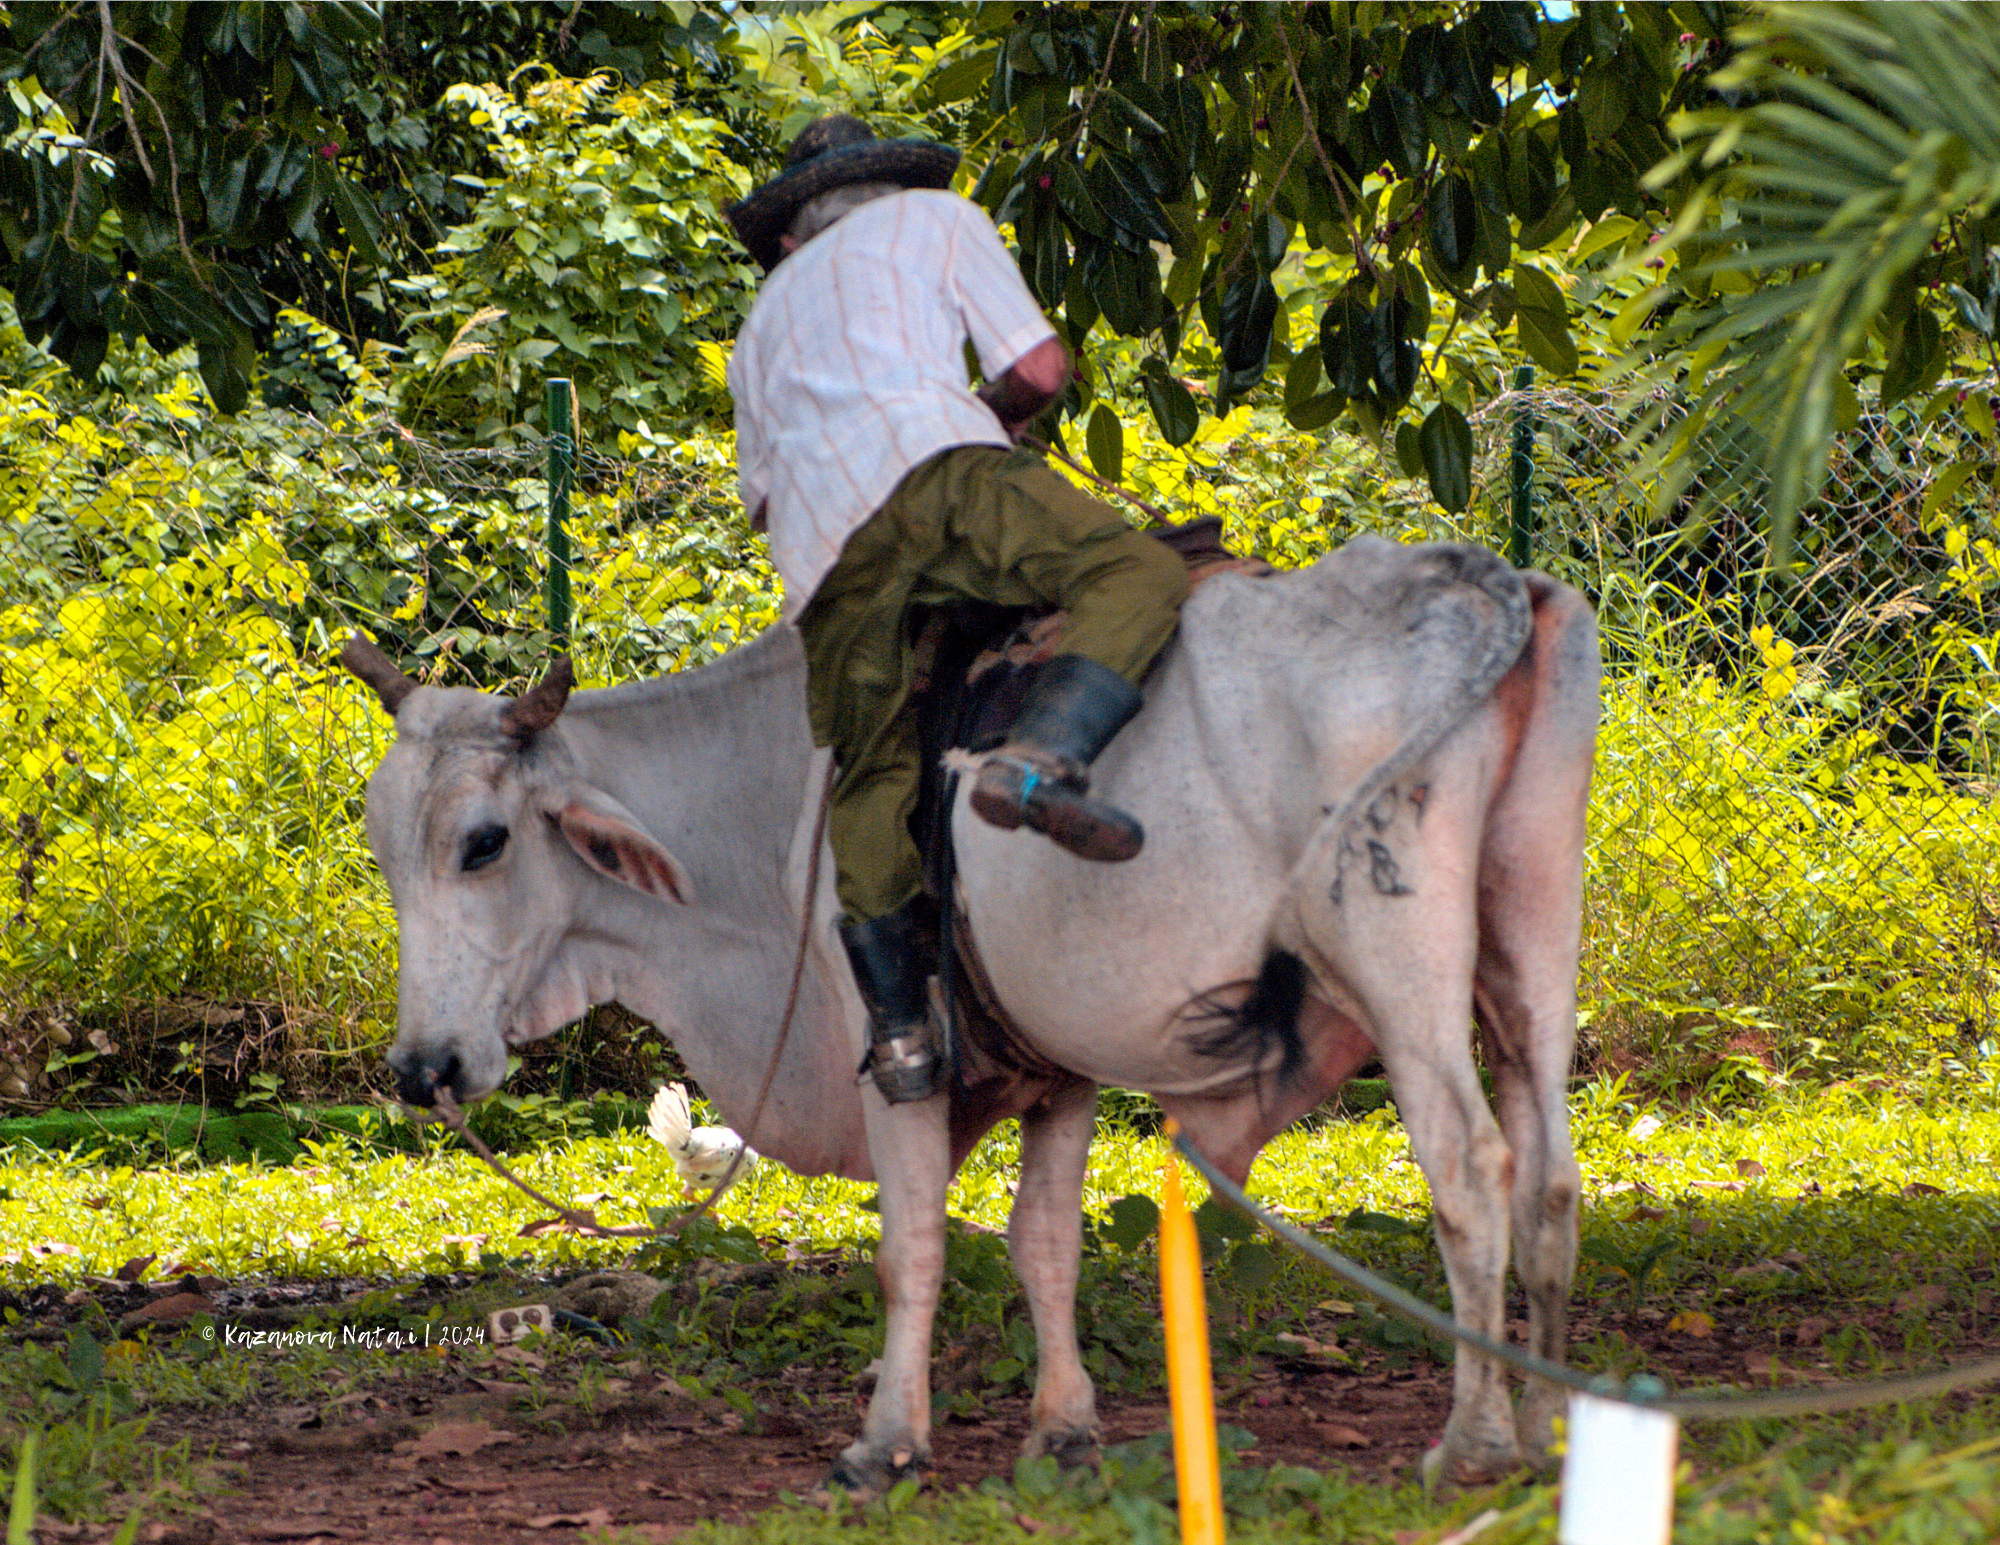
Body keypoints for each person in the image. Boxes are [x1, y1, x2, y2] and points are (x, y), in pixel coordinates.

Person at [725, 116, 1188, 1104]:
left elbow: (759, 494)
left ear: (793, 238)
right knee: (1130, 572)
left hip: (823, 551)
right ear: (889, 192)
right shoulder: (938, 219)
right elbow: (1039, 372)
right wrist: (989, 415)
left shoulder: (759, 325)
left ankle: (900, 1035)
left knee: (871, 771)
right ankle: (1037, 759)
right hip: (939, 467)